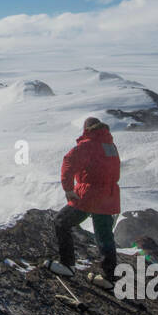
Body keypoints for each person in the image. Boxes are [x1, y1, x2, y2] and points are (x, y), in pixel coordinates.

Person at [49, 117, 121, 280]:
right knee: (104, 236)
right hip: (109, 196)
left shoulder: (88, 144)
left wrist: (68, 188)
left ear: (87, 129)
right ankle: (109, 277)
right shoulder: (110, 146)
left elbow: (68, 161)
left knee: (61, 222)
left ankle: (67, 265)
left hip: (90, 195)